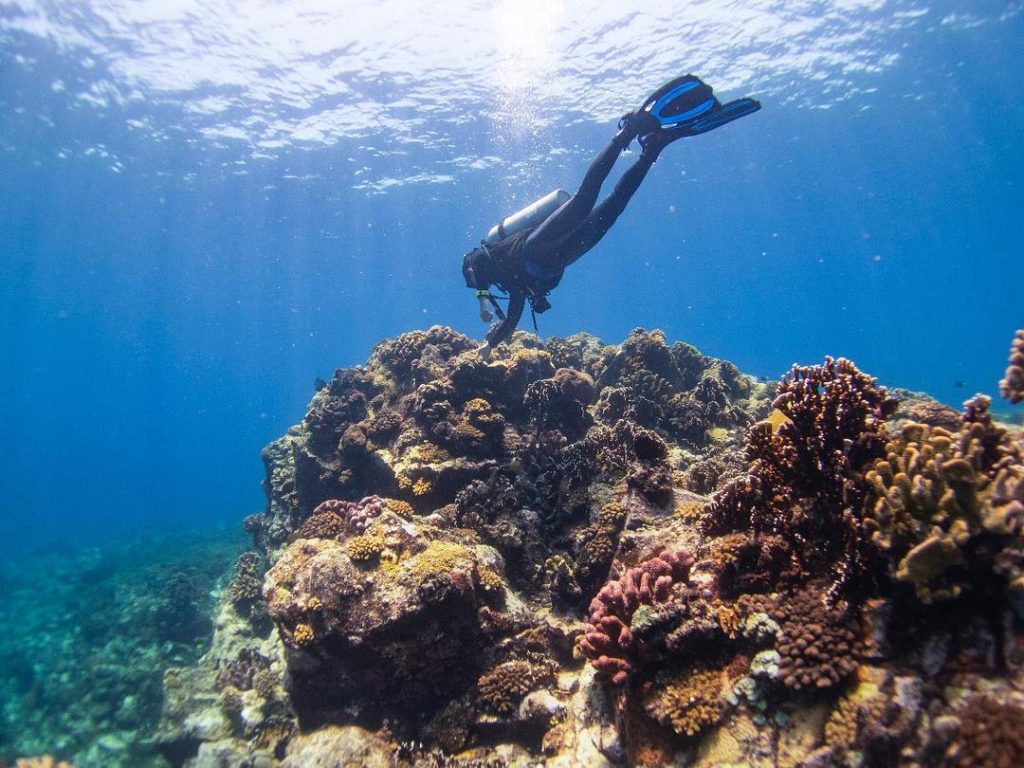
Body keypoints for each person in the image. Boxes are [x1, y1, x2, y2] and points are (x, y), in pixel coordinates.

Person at [462, 75, 760, 359]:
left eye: (474, 282)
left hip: (532, 247)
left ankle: (626, 133)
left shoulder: (482, 260)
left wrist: (482, 302)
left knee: (583, 201)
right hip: (558, 259)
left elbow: (476, 270)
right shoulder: (513, 285)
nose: (477, 284)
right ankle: (652, 149)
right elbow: (512, 319)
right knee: (613, 208)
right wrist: (490, 345)